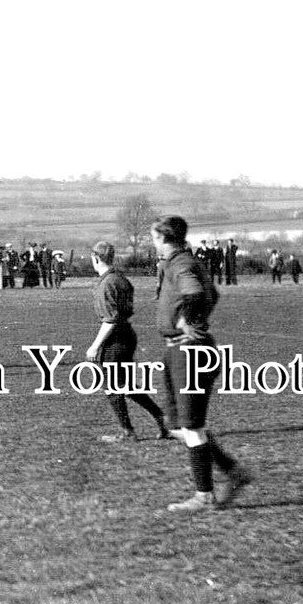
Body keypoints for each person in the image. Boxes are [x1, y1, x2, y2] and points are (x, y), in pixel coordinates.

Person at [151, 216, 251, 512]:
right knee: (176, 426)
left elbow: (195, 292)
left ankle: (204, 495)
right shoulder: (180, 262)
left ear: (164, 239)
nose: (153, 243)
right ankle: (233, 471)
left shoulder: (181, 263)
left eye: (154, 238)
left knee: (192, 426)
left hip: (190, 352)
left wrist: (188, 320)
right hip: (177, 350)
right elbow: (214, 294)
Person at [85, 242, 170, 442]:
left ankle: (127, 431)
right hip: (126, 335)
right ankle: (162, 419)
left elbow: (111, 319)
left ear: (96, 258)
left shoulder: (107, 283)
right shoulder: (121, 279)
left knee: (113, 387)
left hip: (115, 338)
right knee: (126, 385)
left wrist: (95, 346)